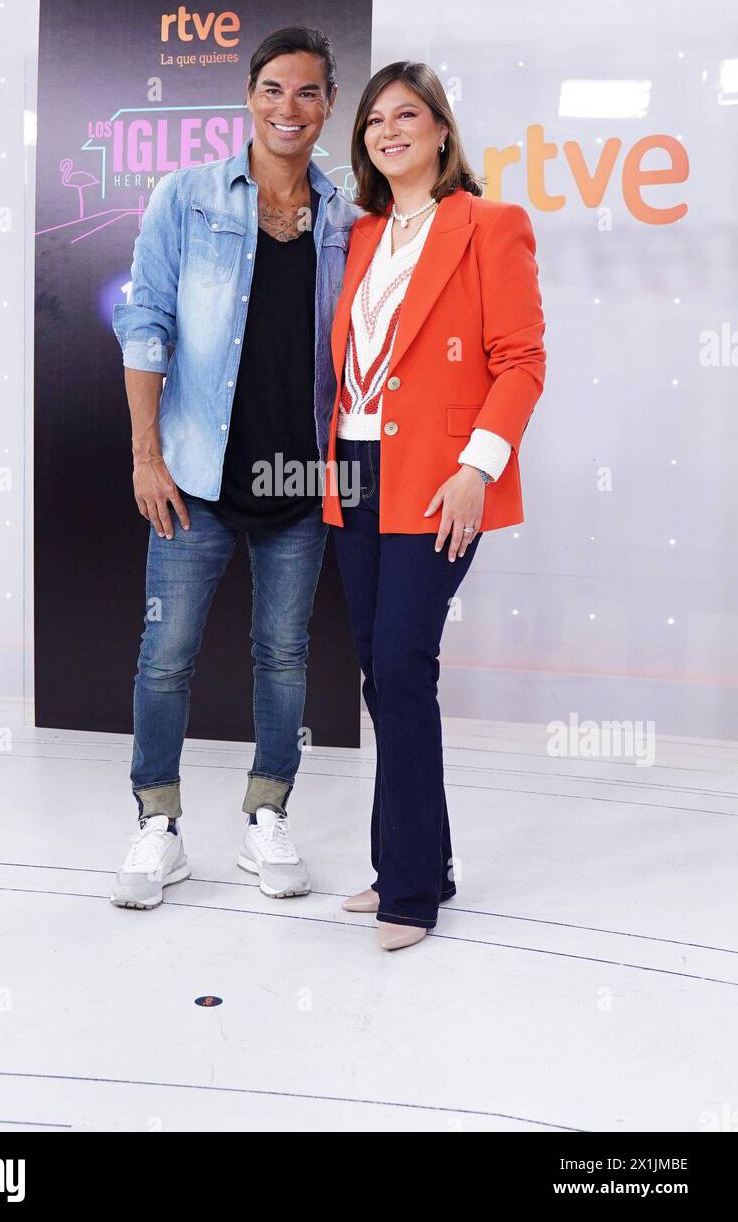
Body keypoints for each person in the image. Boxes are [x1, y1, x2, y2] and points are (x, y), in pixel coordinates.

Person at [109, 26, 360, 909]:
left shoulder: (346, 217)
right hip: (197, 474)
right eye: (273, 90)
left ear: (329, 106)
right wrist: (147, 456)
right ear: (249, 98)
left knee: (283, 656)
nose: (289, 109)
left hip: (300, 479)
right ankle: (158, 826)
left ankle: (266, 815)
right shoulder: (186, 197)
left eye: (308, 93)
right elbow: (145, 324)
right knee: (166, 655)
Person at [323, 60, 546, 951]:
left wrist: (478, 468)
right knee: (384, 675)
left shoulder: (491, 225)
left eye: (407, 114)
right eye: (375, 120)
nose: (389, 130)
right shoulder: (363, 234)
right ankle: (414, 865)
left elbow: (521, 361)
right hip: (356, 472)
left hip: (442, 476)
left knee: (403, 667)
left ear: (442, 130)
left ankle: (412, 891)